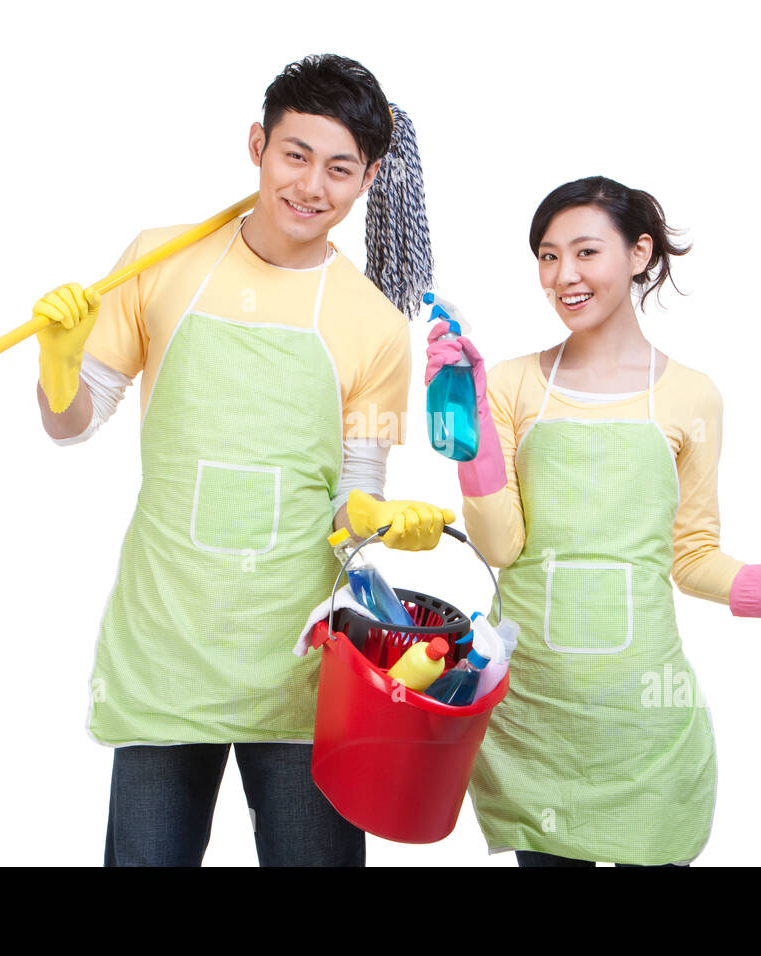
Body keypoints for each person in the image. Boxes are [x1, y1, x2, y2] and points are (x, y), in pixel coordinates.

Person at [32, 54, 454, 867]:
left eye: (339, 169)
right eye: (295, 155)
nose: (311, 186)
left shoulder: (373, 323)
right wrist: (59, 360)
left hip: (302, 663)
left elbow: (353, 502)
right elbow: (71, 427)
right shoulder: (160, 261)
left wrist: (379, 519)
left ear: (370, 178)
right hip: (167, 645)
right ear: (257, 144)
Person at [424, 176, 761, 866]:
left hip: (645, 731)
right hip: (536, 728)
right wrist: (470, 423)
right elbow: (500, 545)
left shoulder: (691, 396)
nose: (564, 276)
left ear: (638, 253)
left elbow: (691, 557)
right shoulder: (510, 384)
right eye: (548, 256)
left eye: (585, 252)